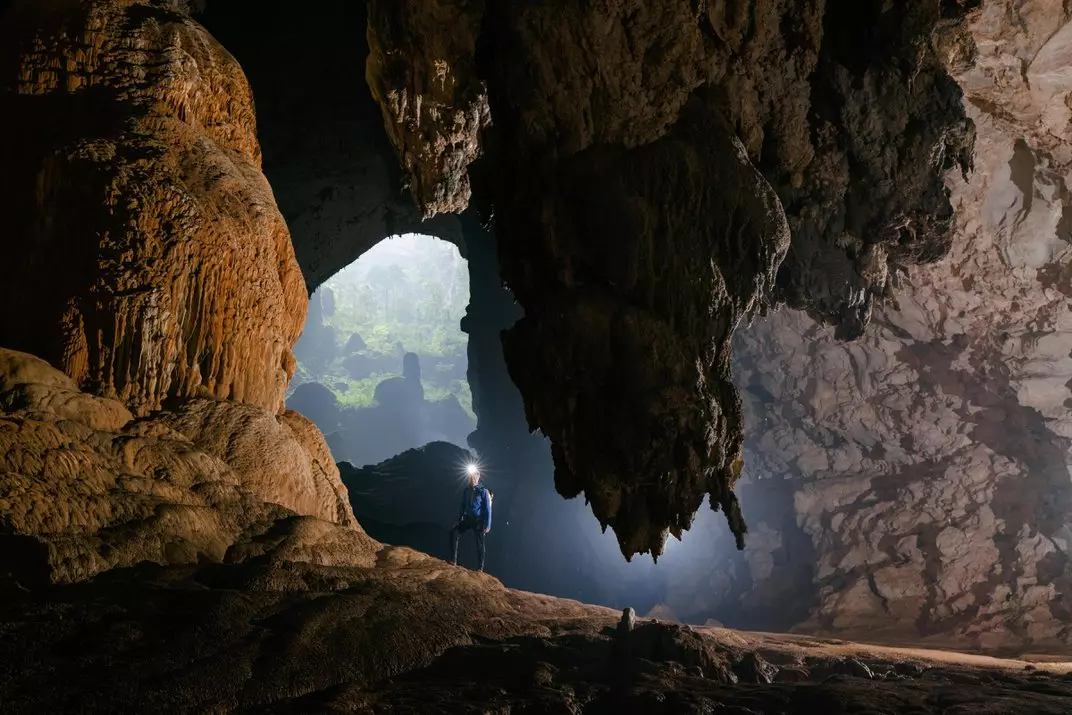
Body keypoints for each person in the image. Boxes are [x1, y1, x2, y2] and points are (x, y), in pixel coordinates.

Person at [450, 466, 492, 571]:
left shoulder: (483, 491)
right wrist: (459, 520)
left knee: (480, 544)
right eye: (471, 477)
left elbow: (488, 509)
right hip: (468, 518)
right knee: (455, 533)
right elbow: (463, 505)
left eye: (474, 477)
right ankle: (453, 560)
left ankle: (480, 568)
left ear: (478, 477)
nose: (472, 479)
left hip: (478, 520)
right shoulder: (466, 490)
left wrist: (488, 524)